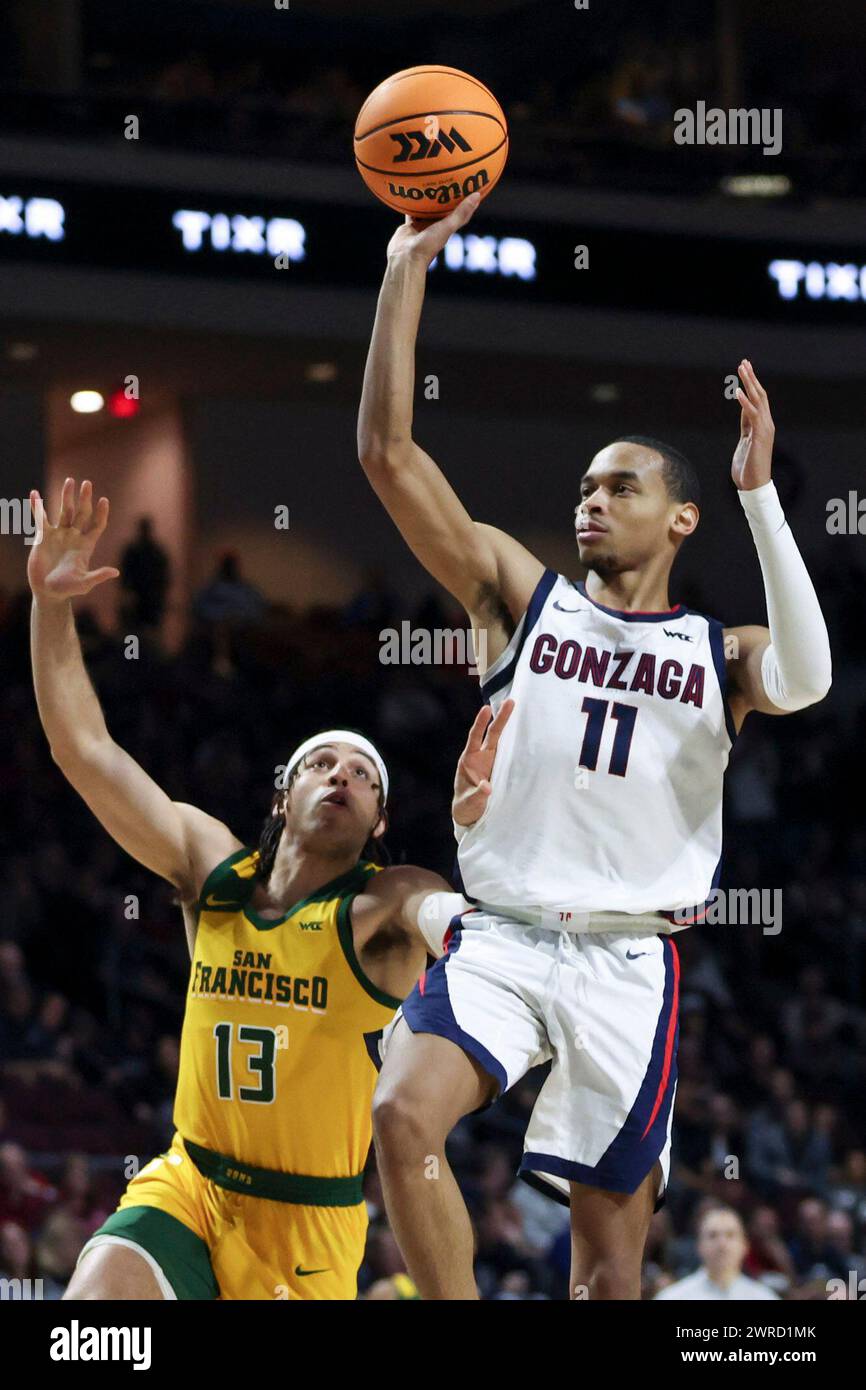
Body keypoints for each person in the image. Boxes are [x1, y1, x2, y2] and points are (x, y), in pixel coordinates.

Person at [357, 195, 832, 1300]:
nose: (590, 500)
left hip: (627, 962)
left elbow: (805, 677)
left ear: (680, 518)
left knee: (609, 1276)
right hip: (504, 936)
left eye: (621, 485)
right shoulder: (522, 600)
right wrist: (402, 272)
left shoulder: (718, 650)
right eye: (582, 485)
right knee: (398, 1109)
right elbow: (386, 454)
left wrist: (758, 498)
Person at [27, 477, 479, 1301]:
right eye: (322, 764)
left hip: (308, 1224)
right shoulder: (211, 866)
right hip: (189, 1186)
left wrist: (468, 915)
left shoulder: (383, 905)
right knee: (95, 1311)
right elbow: (84, 751)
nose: (342, 776)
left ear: (379, 823)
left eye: (364, 777)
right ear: (283, 797)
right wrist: (49, 606)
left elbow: (446, 918)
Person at [654, 1206, 780, 1301]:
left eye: (730, 1235)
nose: (722, 1244)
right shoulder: (671, 1297)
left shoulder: (765, 1297)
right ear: (699, 1246)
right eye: (712, 1235)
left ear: (744, 1246)